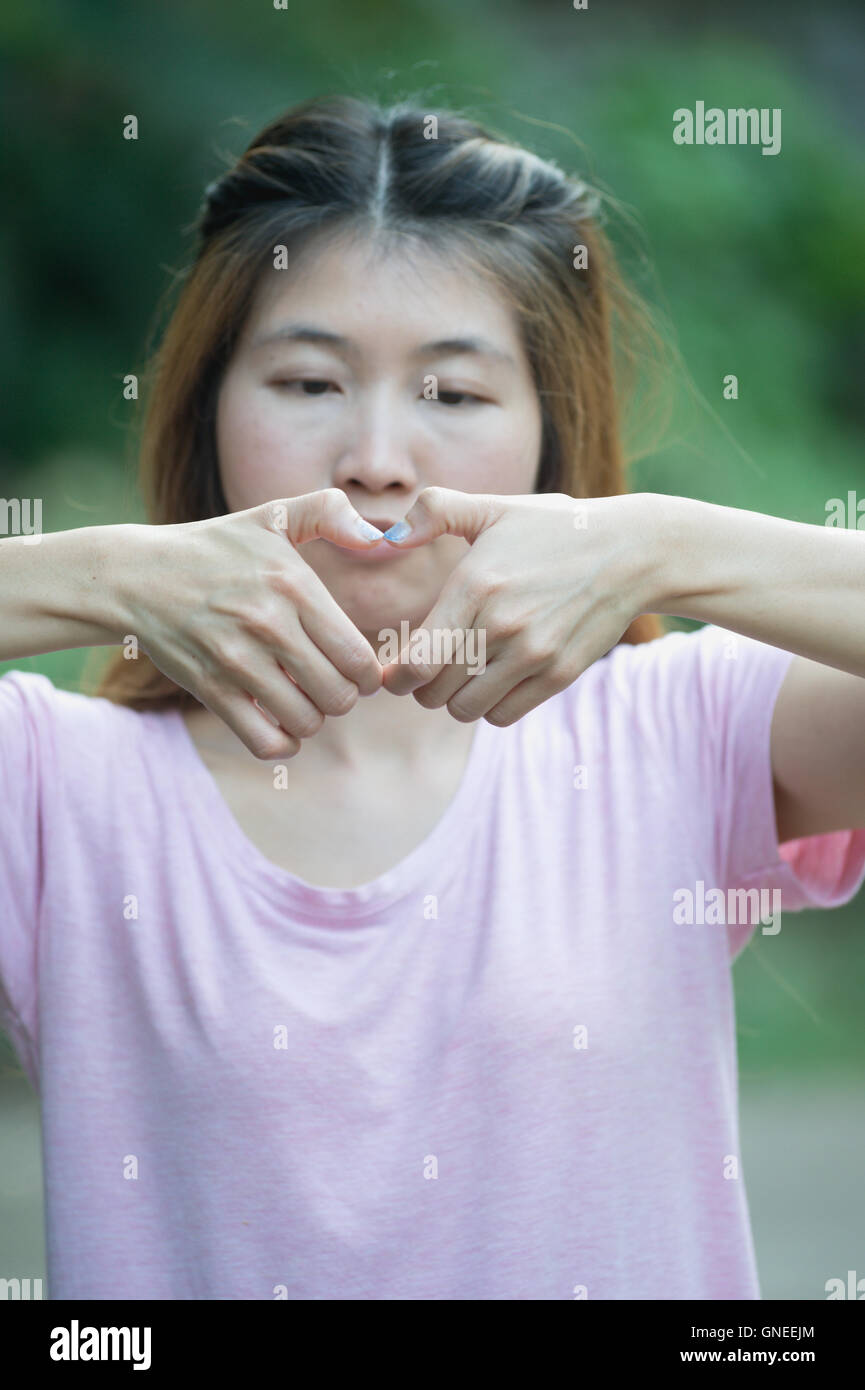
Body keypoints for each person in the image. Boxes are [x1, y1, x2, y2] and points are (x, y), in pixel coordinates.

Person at [2, 94, 864, 1301]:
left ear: (546, 435)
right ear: (206, 407)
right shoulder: (53, 787)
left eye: (453, 395)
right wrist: (104, 573)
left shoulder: (678, 728)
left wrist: (663, 546)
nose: (376, 454)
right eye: (307, 382)